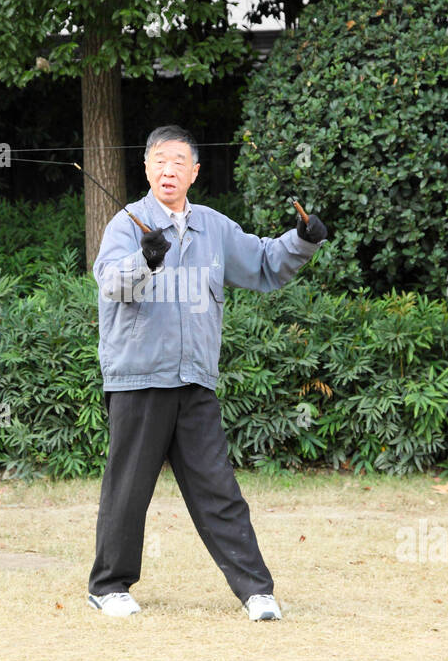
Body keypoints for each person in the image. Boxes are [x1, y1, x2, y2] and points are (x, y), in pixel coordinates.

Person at [88, 125, 328, 620]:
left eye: (178, 161)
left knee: (218, 487)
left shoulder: (214, 228)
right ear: (147, 169)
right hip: (139, 378)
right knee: (128, 489)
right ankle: (109, 586)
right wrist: (145, 259)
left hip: (195, 379)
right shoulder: (125, 224)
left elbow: (263, 264)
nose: (168, 169)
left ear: (194, 171)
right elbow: (111, 283)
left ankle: (256, 591)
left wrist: (302, 241)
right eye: (159, 160)